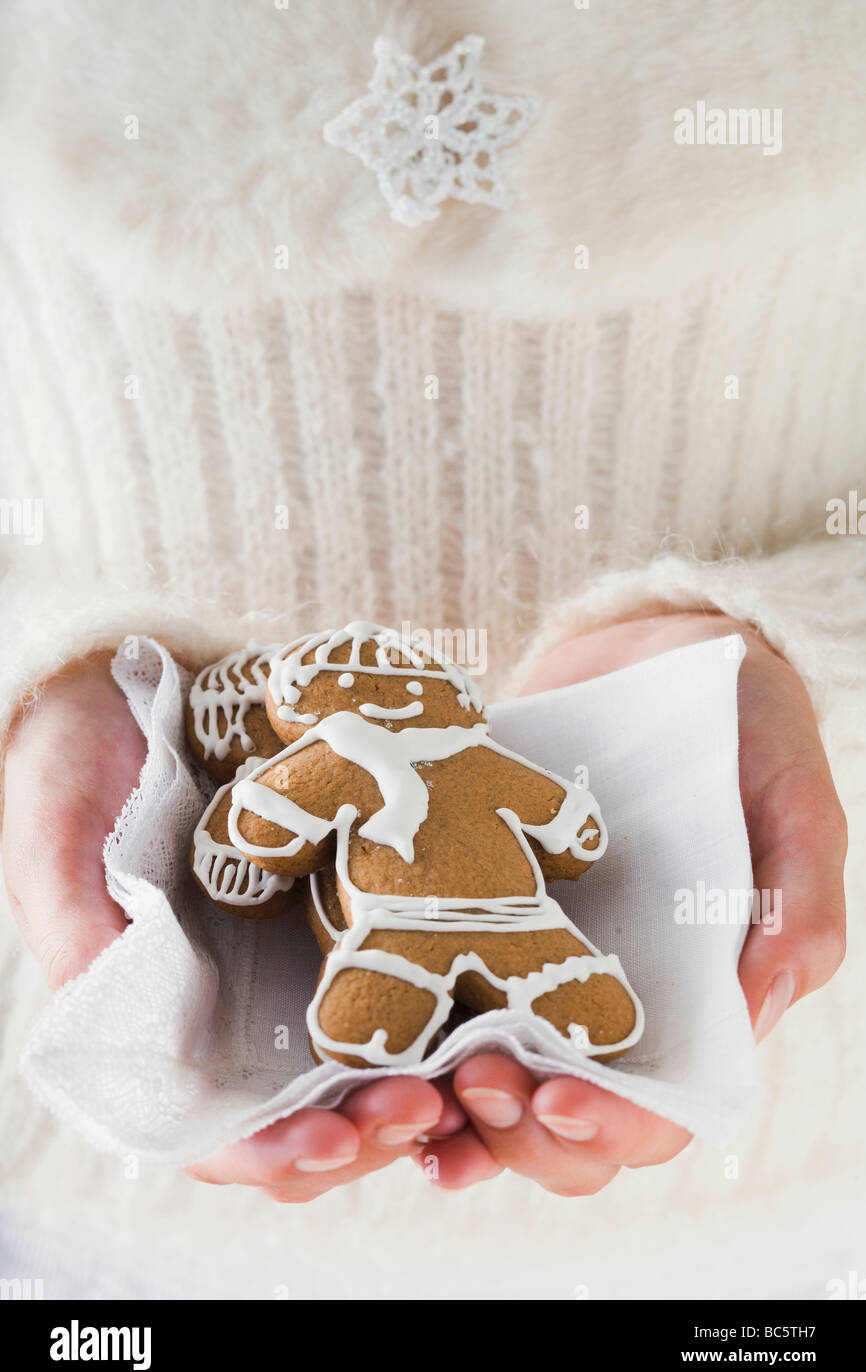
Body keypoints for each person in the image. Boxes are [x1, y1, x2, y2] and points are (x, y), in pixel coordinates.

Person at [0, 1, 862, 1299]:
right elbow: (271, 839)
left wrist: (803, 651)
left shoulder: (373, 762)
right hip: (90, 1215)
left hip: (787, 1184)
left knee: (517, 960)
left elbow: (503, 831)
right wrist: (38, 687)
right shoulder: (342, 759)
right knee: (404, 975)